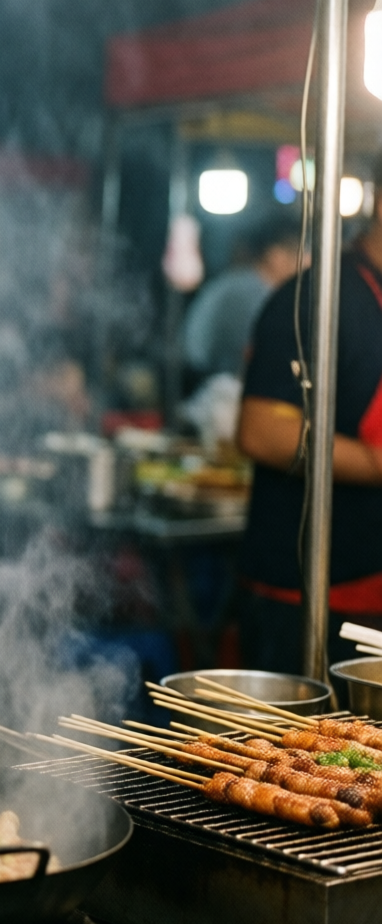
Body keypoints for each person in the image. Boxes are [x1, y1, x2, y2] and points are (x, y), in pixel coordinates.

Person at [236, 185, 382, 673]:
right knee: (301, 747)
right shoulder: (317, 297)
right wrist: (372, 462)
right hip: (311, 600)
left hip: (375, 594)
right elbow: (262, 432)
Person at [184, 216, 302, 379]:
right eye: (303, 254)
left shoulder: (250, 286)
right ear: (276, 256)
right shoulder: (249, 293)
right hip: (214, 388)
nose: (307, 263)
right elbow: (251, 357)